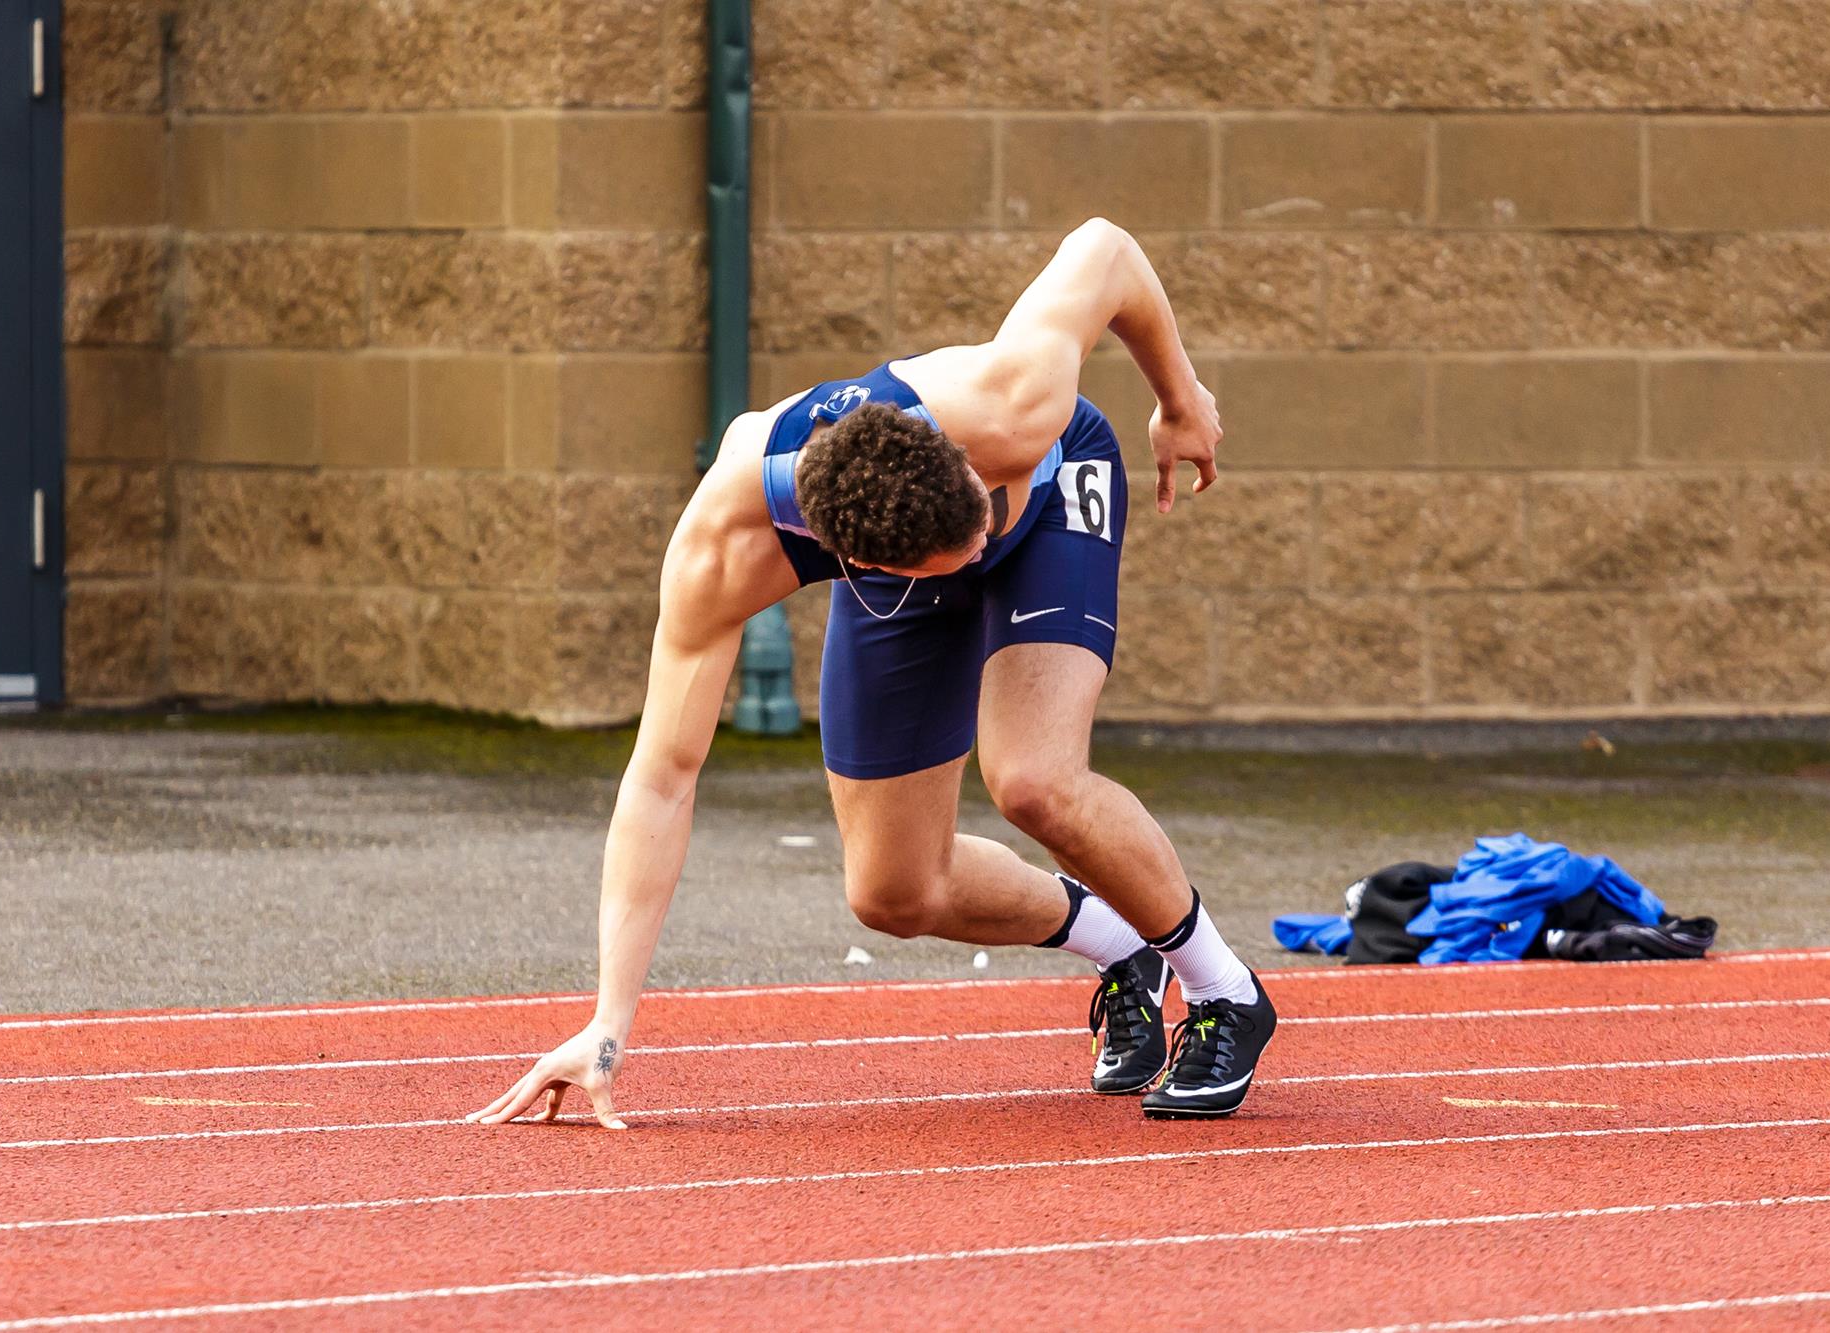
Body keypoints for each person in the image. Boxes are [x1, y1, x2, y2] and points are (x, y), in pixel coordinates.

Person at [469, 218, 1274, 1128]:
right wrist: (607, 1024)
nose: (981, 542)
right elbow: (661, 778)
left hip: (1055, 495)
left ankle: (1225, 993)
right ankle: (1121, 943)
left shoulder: (1011, 403)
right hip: (901, 559)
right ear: (865, 566)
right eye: (961, 545)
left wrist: (1177, 396)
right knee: (893, 892)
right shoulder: (724, 554)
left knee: (1033, 780)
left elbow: (1107, 249)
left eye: (979, 512)